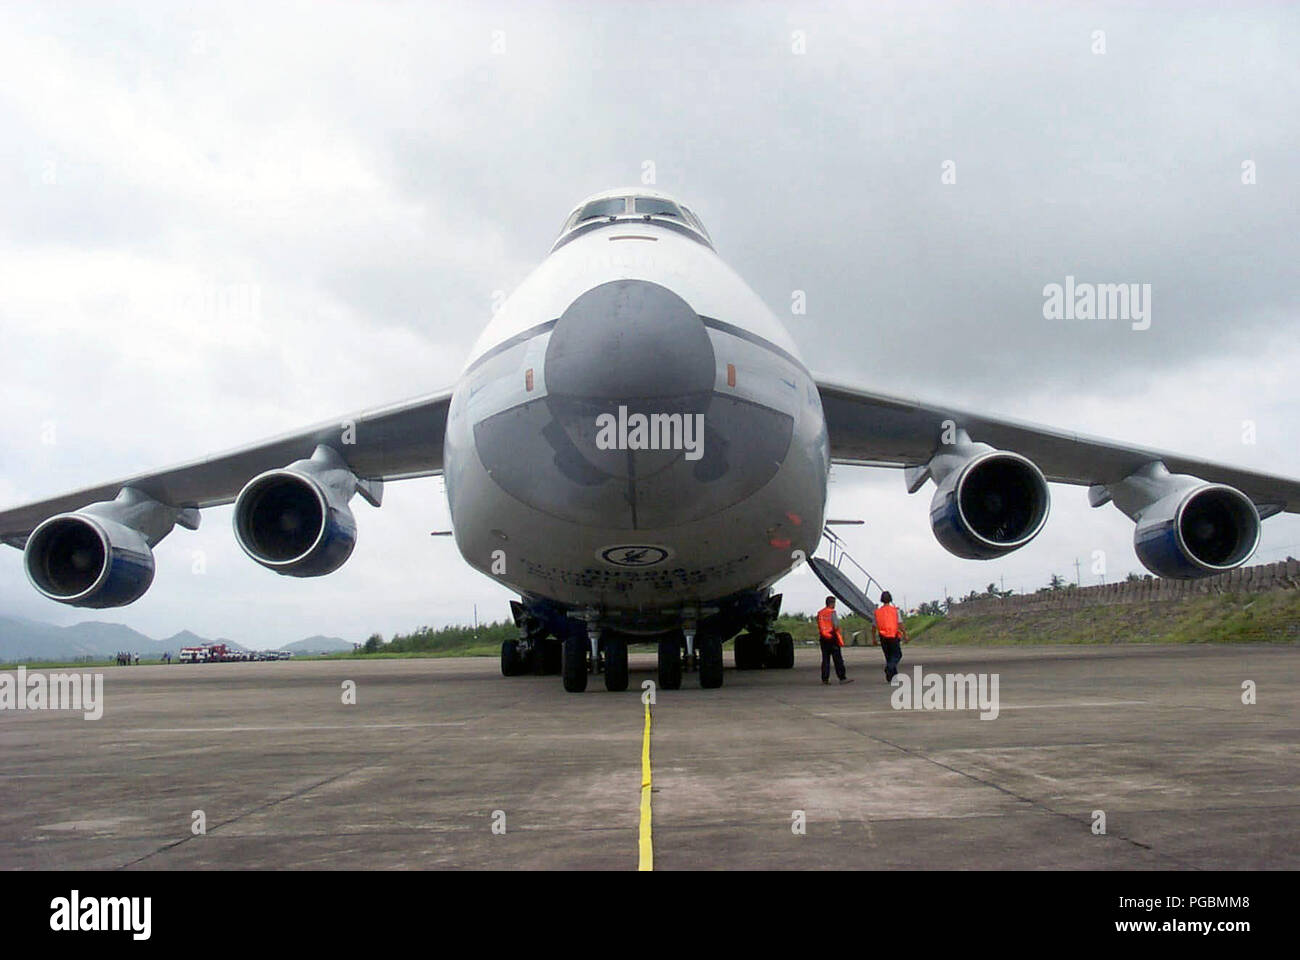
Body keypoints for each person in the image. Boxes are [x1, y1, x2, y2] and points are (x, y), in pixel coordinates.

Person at [815, 596, 853, 685]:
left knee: (825, 659)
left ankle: (825, 679)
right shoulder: (832, 612)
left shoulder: (820, 613)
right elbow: (836, 625)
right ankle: (842, 678)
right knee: (837, 659)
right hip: (832, 637)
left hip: (823, 637)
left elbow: (819, 623)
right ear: (832, 603)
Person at [872, 590, 909, 681]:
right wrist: (905, 634)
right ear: (890, 599)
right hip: (893, 635)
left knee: (888, 656)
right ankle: (889, 669)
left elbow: (873, 626)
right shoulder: (895, 611)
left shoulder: (877, 612)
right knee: (897, 655)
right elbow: (900, 624)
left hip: (883, 636)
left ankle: (892, 677)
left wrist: (874, 638)